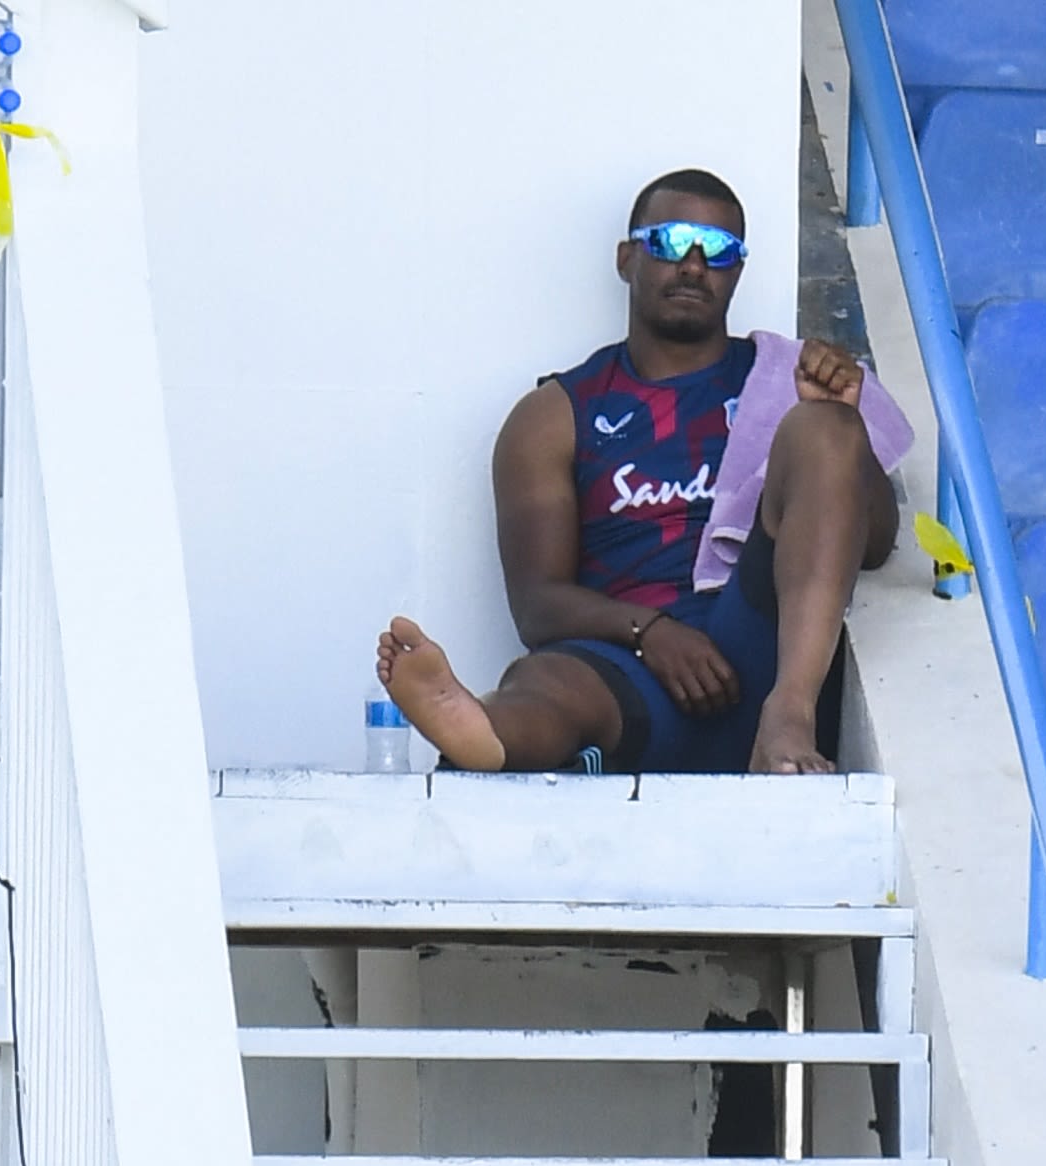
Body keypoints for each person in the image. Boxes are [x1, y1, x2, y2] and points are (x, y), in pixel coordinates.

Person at [377, 168, 908, 777]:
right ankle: (483, 732)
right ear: (628, 258)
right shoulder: (553, 417)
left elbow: (876, 544)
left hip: (768, 645)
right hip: (629, 672)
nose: (691, 264)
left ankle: (788, 722)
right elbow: (537, 607)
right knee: (548, 680)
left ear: (736, 271)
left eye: (717, 250)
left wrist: (842, 431)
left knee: (821, 430)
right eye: (670, 241)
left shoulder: (779, 381)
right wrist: (650, 633)